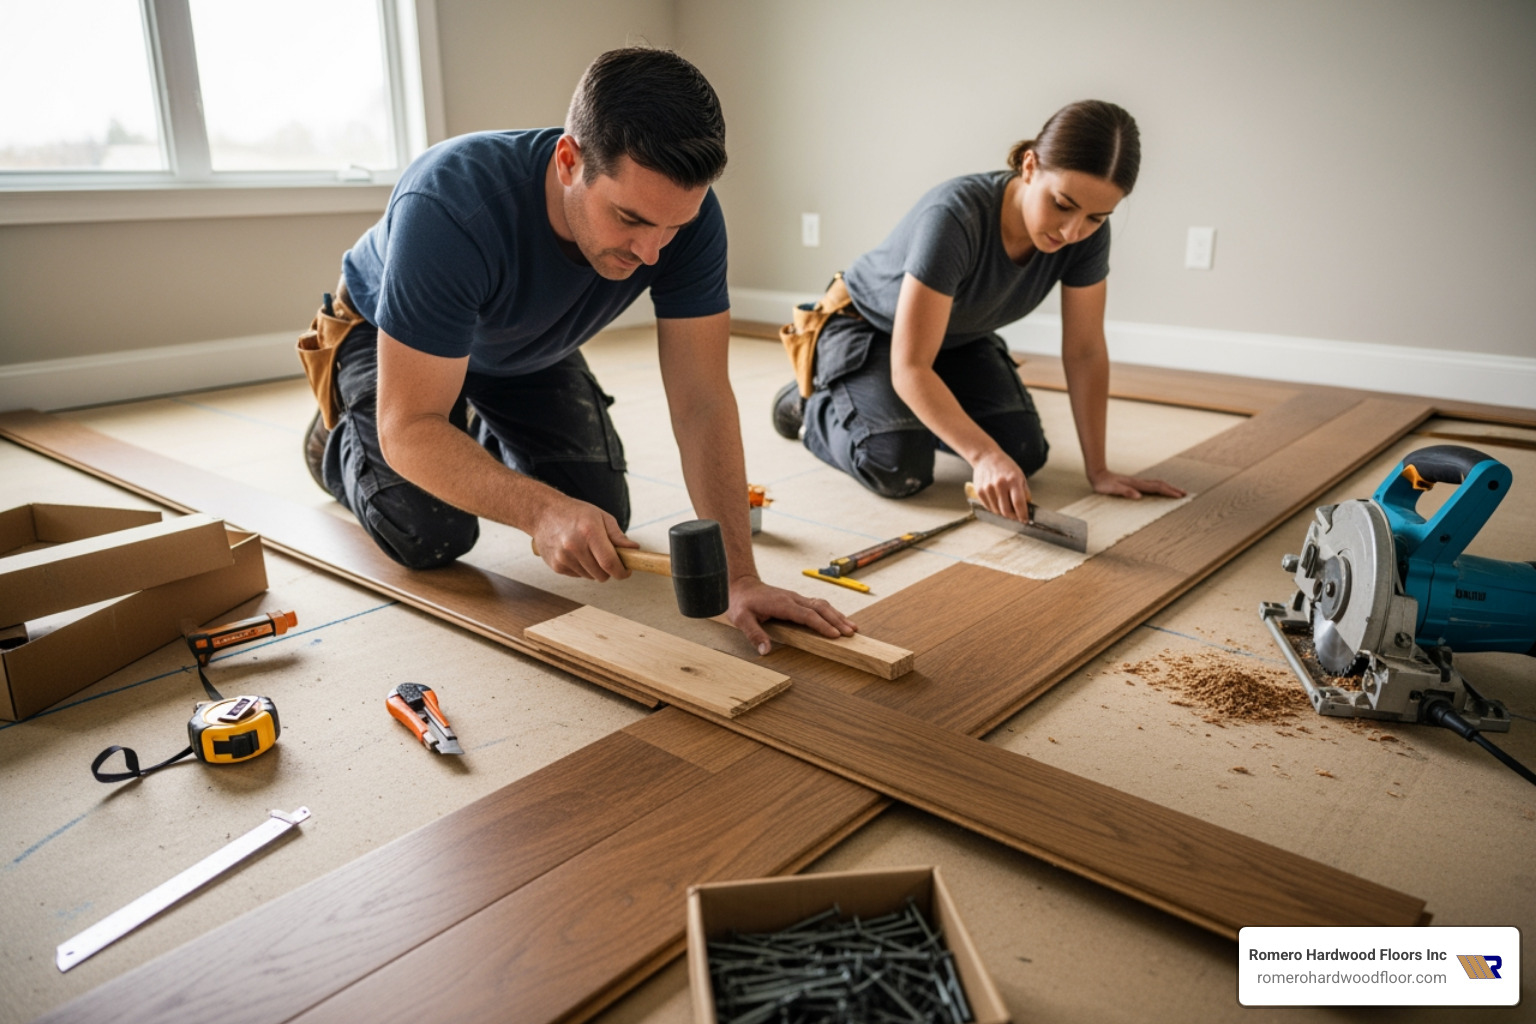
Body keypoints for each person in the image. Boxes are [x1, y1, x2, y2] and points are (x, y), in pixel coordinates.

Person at [298, 47, 853, 655]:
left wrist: (739, 577)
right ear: (569, 160)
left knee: (598, 519)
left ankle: (470, 425)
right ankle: (336, 442)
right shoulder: (448, 205)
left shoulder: (686, 223)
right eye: (630, 219)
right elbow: (407, 426)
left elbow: (701, 399)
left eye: (672, 228)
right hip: (391, 341)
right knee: (430, 534)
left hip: (525, 348)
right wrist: (538, 511)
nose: (651, 252)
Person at [773, 100, 1184, 522]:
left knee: (1023, 454)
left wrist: (1098, 470)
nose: (1072, 231)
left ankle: (907, 417)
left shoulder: (1086, 237)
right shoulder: (954, 218)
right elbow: (912, 366)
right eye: (1062, 204)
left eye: (1096, 217)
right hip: (866, 328)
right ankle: (810, 405)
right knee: (897, 466)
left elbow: (1084, 351)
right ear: (1029, 166)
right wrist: (983, 454)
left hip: (955, 340)